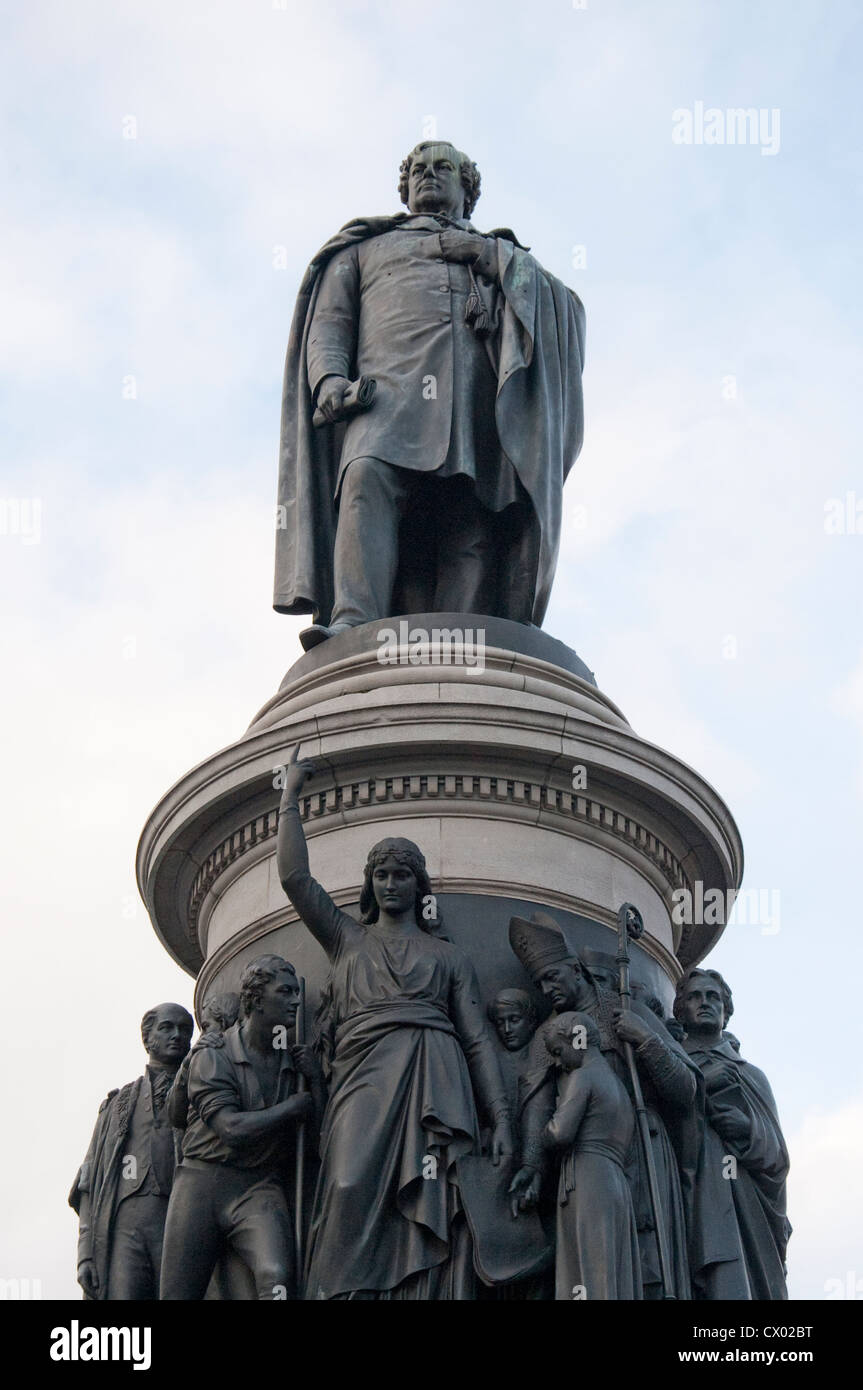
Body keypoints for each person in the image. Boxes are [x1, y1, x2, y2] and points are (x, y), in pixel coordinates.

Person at [273, 140, 586, 647]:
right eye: (418, 169)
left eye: (444, 168)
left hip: (472, 407)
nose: (429, 176)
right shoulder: (362, 248)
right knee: (365, 481)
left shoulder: (498, 254)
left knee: (470, 516)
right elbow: (330, 321)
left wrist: (489, 256)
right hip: (383, 399)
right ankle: (355, 621)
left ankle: (462, 635)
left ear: (468, 188)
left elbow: (565, 309)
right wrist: (329, 380)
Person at [277, 746, 514, 1299]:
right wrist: (289, 798)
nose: (390, 884)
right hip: (362, 1079)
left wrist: (500, 1118)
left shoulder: (447, 958)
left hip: (436, 1076)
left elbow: (478, 1040)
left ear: (418, 885)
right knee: (346, 1182)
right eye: (381, 874)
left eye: (401, 875)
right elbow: (293, 878)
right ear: (370, 883)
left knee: (435, 1194)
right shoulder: (346, 940)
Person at [507, 914, 701, 1300]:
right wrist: (530, 1163)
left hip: (645, 1157)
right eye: (540, 983)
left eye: (553, 977)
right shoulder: (551, 1035)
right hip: (588, 1162)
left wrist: (645, 1038)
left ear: (576, 969)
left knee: (649, 1274)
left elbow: (686, 1089)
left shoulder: (623, 1008)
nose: (547, 989)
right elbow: (538, 1102)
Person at [159, 956, 321, 1301]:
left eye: (296, 992)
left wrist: (316, 1082)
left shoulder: (292, 1064)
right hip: (202, 1183)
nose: (296, 1000)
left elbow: (314, 1144)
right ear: (256, 999)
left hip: (257, 1185)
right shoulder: (212, 1055)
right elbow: (230, 1128)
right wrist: (291, 1108)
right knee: (178, 1293)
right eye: (285, 992)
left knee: (276, 1275)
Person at [674, 969, 791, 1299]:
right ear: (680, 1009)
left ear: (726, 1010)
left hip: (743, 1203)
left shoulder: (751, 1075)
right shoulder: (672, 1063)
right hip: (691, 1195)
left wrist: (749, 1132)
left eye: (713, 997)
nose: (705, 1003)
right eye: (695, 996)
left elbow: (779, 1160)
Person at [69, 1002, 193, 1300]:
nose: (177, 1035)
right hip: (125, 1224)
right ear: (147, 1037)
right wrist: (86, 1253)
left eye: (185, 1030)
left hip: (181, 1217)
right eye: (167, 1027)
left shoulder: (203, 1092)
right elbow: (88, 1182)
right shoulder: (117, 1105)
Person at [539, 1012, 642, 1301]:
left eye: (558, 1052)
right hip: (614, 1182)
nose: (558, 1063)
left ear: (578, 1039)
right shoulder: (617, 1085)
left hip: (587, 1177)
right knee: (609, 1266)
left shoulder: (583, 1076)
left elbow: (560, 1132)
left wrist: (545, 1127)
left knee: (587, 1263)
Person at [166, 992, 240, 1130]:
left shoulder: (211, 1058)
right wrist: (187, 1063)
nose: (201, 1037)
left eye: (205, 1027)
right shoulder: (199, 1058)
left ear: (224, 1023)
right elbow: (175, 1116)